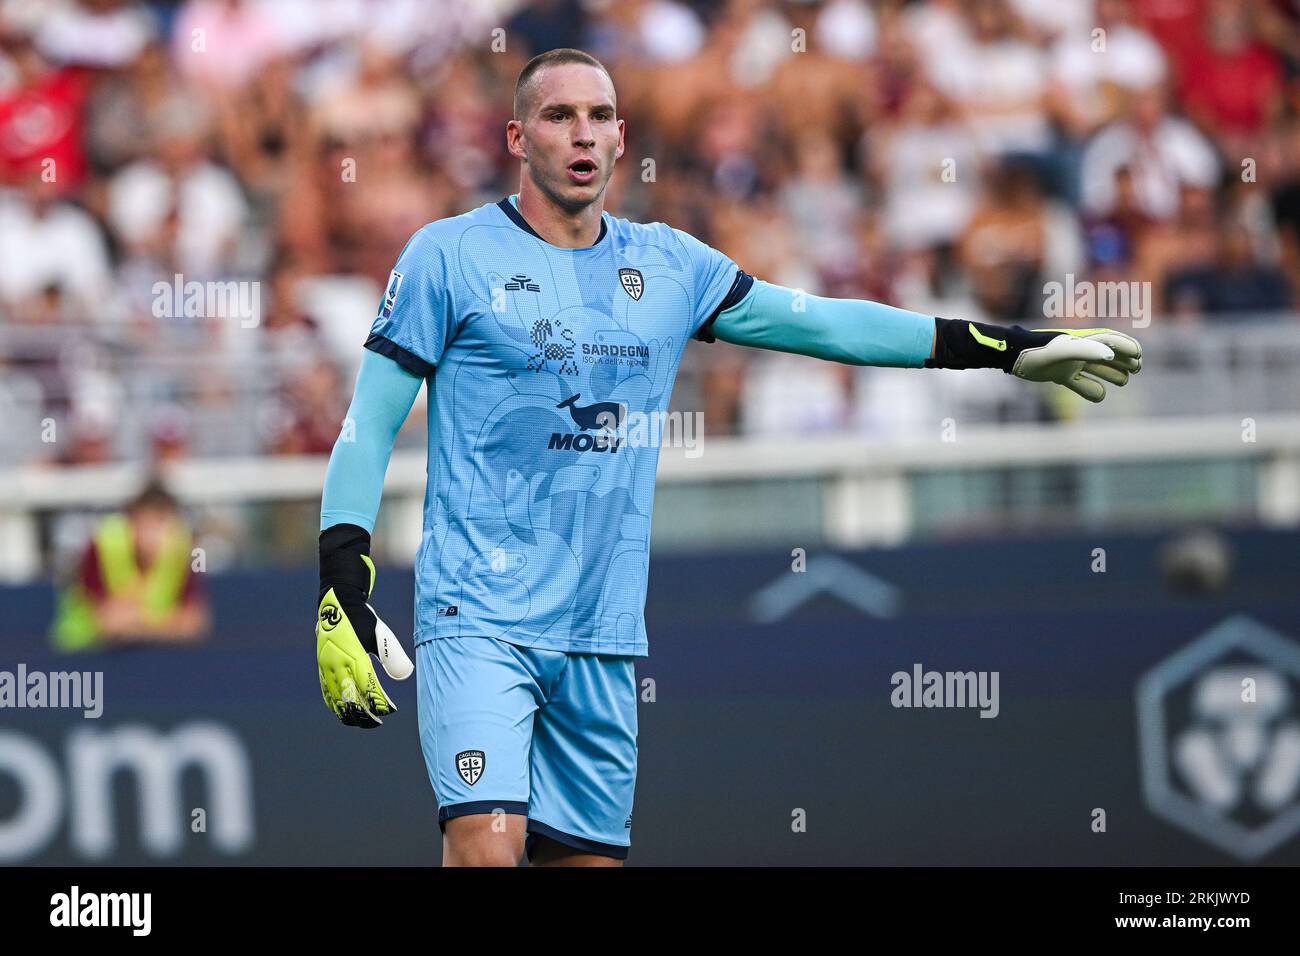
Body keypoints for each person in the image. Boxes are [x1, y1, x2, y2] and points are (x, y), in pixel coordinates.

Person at [314, 48, 1143, 867]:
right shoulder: (447, 257)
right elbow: (369, 425)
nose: (582, 133)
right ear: (516, 137)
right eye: (559, 115)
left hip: (604, 635)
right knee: (487, 848)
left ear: (620, 137)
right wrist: (343, 579)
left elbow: (823, 323)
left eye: (599, 116)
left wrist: (1001, 347)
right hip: (479, 619)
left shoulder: (672, 266)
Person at [51, 479, 210, 652]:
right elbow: (111, 623)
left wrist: (139, 624)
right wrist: (168, 624)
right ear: (130, 521)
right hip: (82, 659)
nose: (151, 534)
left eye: (160, 522)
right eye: (144, 523)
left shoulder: (192, 550)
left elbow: (196, 621)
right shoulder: (102, 544)